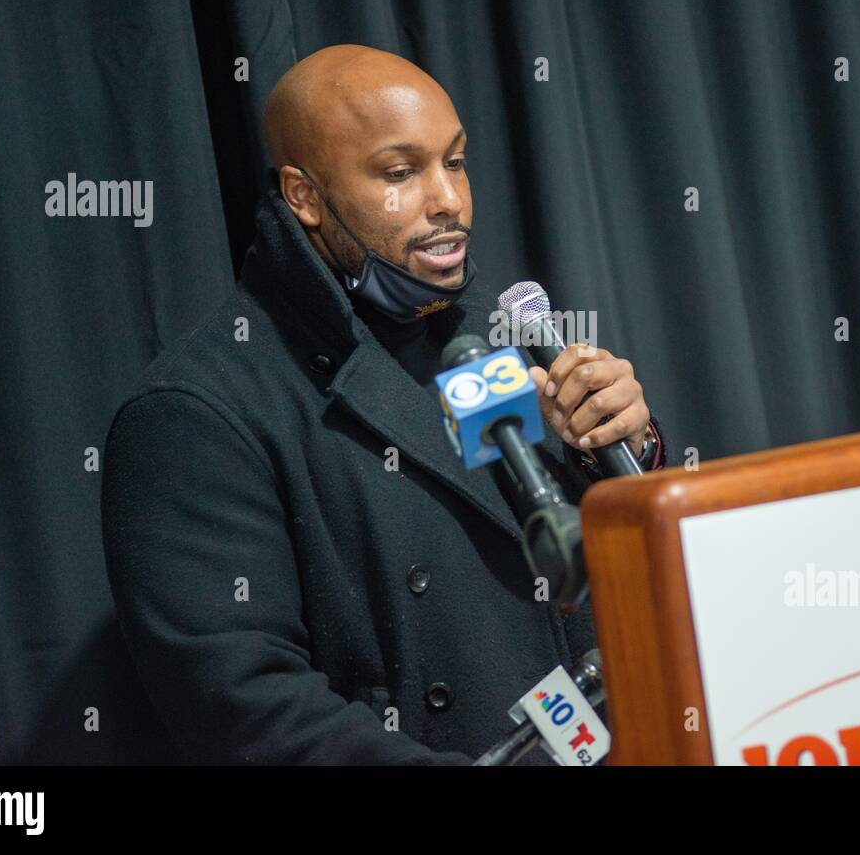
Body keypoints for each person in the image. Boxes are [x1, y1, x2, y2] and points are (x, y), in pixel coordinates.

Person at [101, 44, 668, 764]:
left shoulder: (483, 334)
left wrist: (612, 448)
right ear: (304, 196)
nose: (449, 201)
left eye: (455, 161)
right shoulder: (196, 410)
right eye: (401, 173)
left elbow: (558, 570)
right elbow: (245, 709)